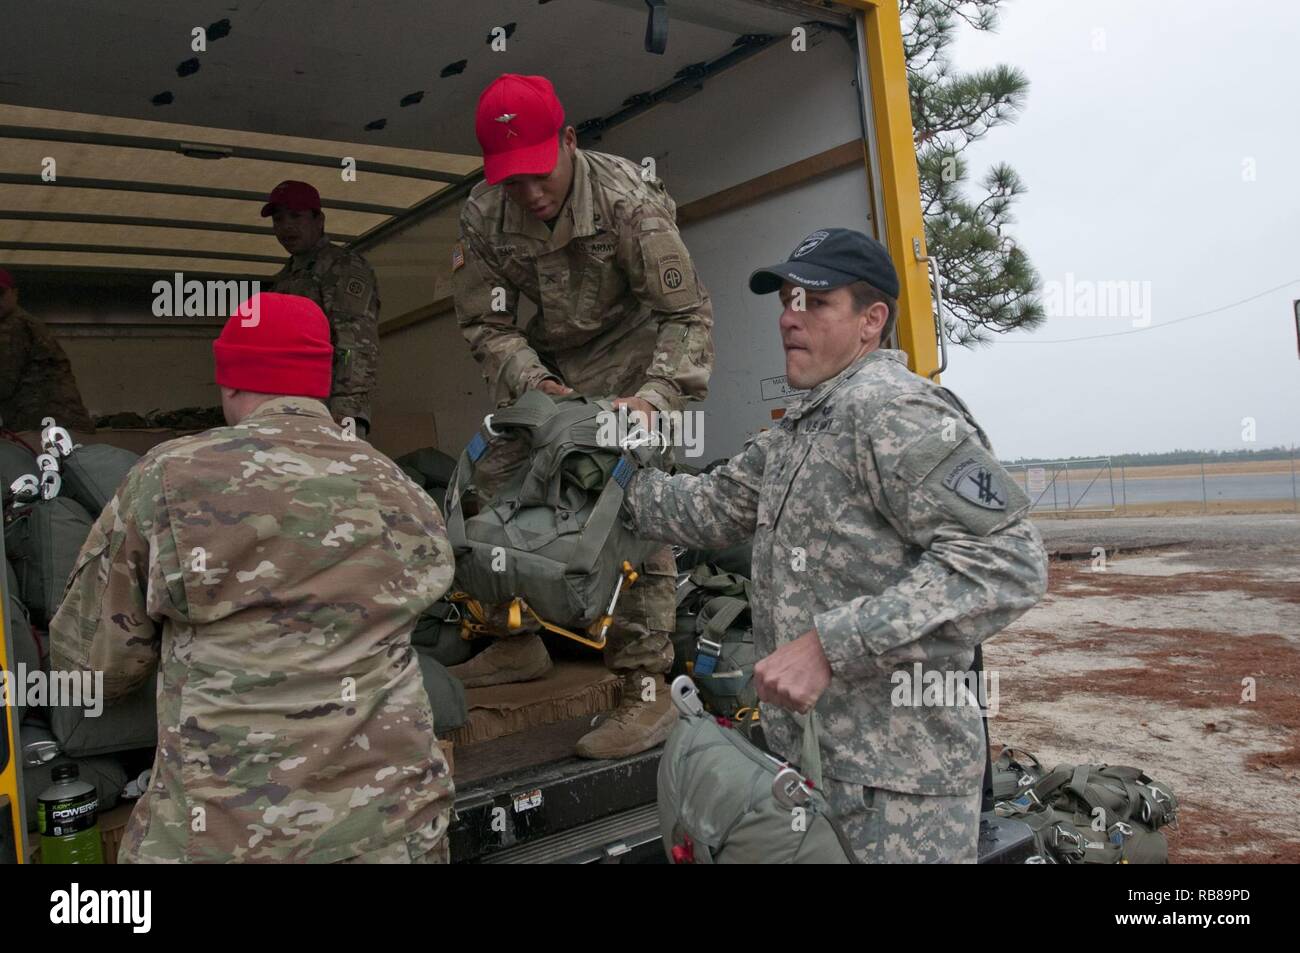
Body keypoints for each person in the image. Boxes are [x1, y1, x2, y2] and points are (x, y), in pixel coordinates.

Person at [622, 228, 1049, 862]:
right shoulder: (805, 426)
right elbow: (708, 510)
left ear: (871, 321)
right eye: (787, 300)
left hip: (900, 789)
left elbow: (1008, 563)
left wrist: (831, 644)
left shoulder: (895, 412)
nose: (790, 318)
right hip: (814, 768)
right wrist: (608, 461)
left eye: (815, 304)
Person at [50, 292, 453, 863]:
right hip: (398, 833)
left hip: (224, 842)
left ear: (232, 382)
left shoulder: (167, 478)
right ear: (319, 383)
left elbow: (100, 666)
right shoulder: (402, 489)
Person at [451, 73, 715, 759]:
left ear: (569, 140)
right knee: (492, 482)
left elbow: (686, 315)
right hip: (547, 366)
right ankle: (514, 638)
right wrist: (532, 381)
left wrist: (655, 400)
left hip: (634, 356)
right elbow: (485, 321)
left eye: (540, 174)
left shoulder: (630, 202)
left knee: (634, 508)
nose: (531, 194)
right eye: (513, 182)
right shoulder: (483, 216)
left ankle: (643, 690)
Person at [264, 180, 380, 436]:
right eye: (278, 219)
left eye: (296, 216)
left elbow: (356, 347)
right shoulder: (286, 277)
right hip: (290, 409)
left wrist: (344, 413)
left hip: (331, 411)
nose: (286, 227)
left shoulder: (342, 267)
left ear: (319, 220)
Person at [0, 267, 94, 432]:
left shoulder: (13, 326)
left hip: (44, 425)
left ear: (14, 293)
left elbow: (4, 383)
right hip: (54, 424)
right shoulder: (22, 322)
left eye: (0, 293)